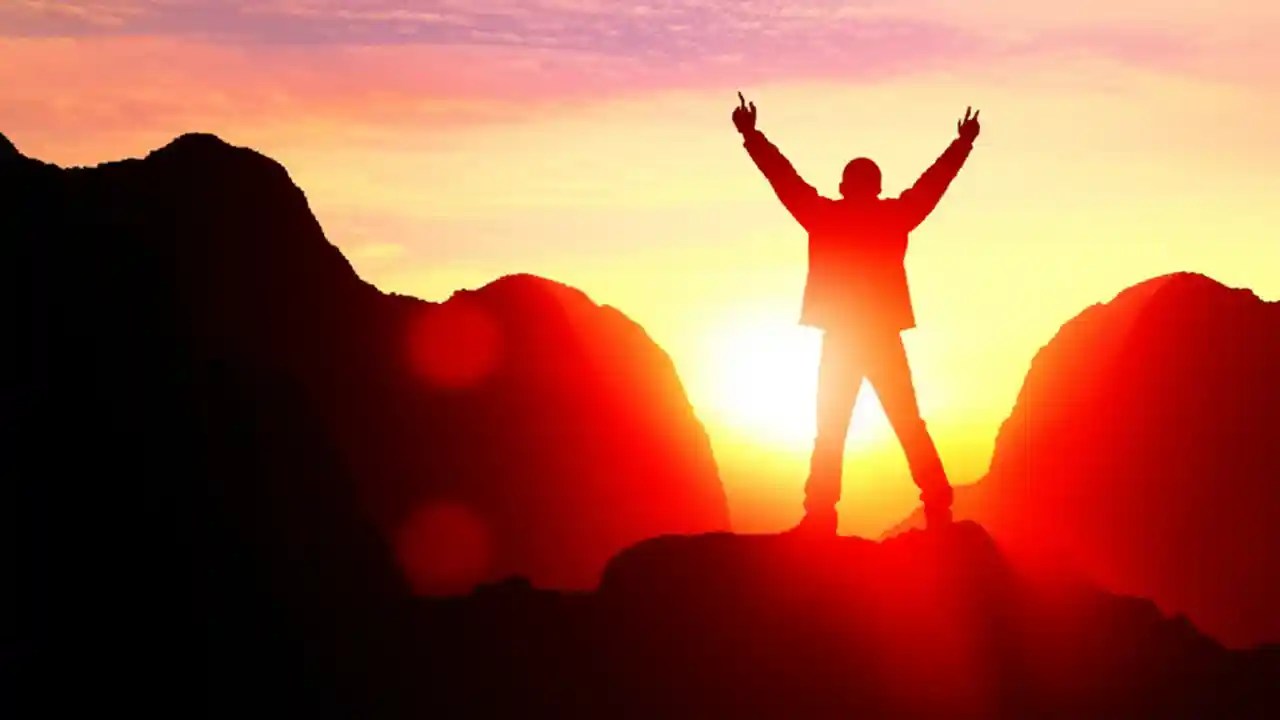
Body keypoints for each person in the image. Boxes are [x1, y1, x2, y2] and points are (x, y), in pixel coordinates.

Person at [733, 92, 980, 533]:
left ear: (845, 187)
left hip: (842, 338)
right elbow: (933, 185)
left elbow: (783, 179)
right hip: (882, 336)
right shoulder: (893, 217)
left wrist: (752, 136)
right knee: (907, 423)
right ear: (877, 187)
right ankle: (939, 507)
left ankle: (820, 517)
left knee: (830, 428)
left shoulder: (823, 216)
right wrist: (962, 143)